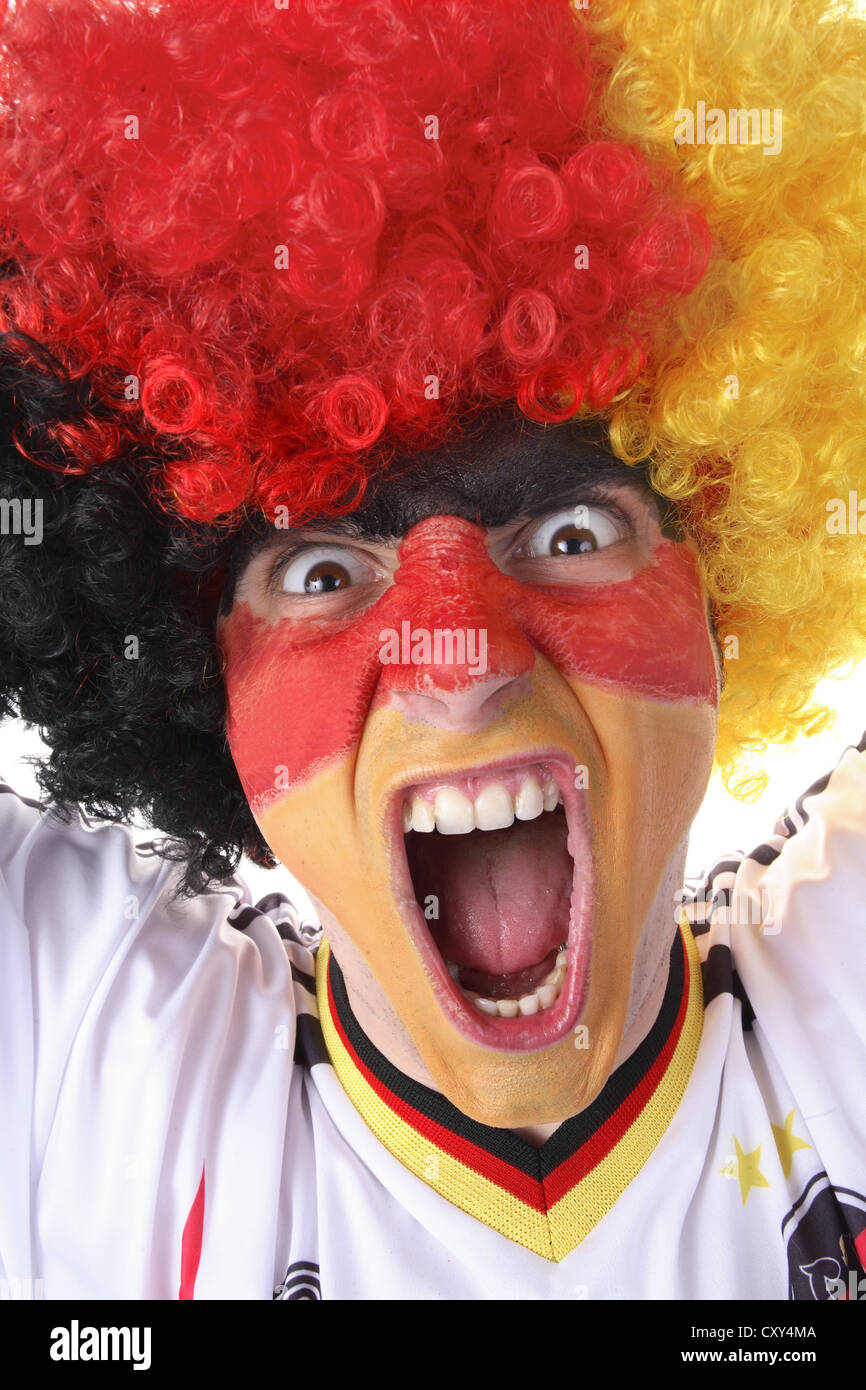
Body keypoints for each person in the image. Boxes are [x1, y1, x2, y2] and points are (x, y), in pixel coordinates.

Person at [0, 0, 864, 1300]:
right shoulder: (80, 1051)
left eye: (569, 532)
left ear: (725, 591)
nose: (460, 664)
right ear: (195, 676)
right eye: (323, 569)